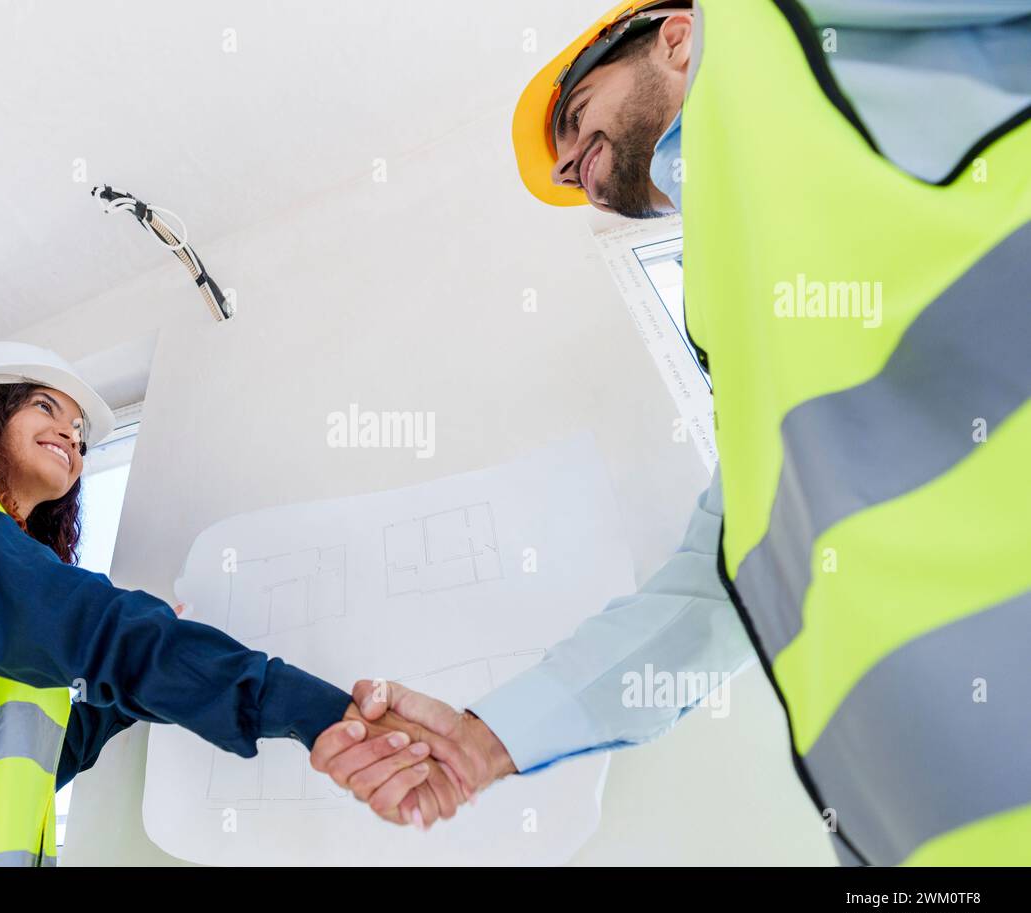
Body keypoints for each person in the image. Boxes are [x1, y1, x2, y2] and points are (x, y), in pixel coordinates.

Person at [314, 0, 1031, 865]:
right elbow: (725, 572)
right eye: (570, 173)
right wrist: (488, 738)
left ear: (677, 34)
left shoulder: (772, 20)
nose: (576, 166)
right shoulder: (724, 303)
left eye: (576, 121)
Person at [0, 341, 471, 865]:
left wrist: (122, 699)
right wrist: (308, 710)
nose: (70, 435)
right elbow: (74, 621)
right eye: (46, 406)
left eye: (81, 435)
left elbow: (37, 758)